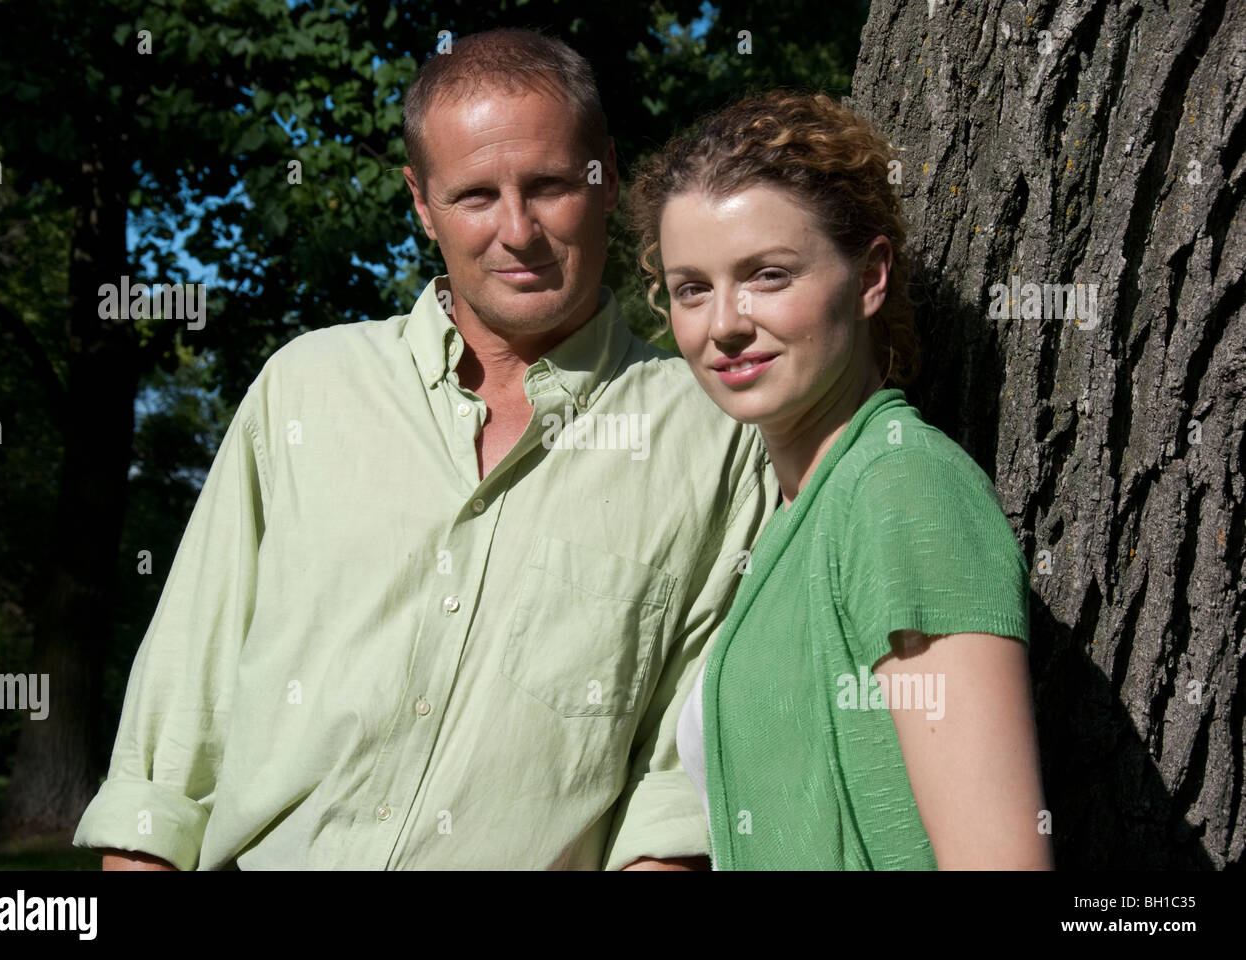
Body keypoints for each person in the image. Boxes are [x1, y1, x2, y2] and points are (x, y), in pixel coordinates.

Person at [73, 29, 778, 871]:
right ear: (420, 201)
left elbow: (676, 793)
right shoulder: (305, 389)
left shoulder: (717, 435)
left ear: (607, 177)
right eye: (476, 195)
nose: (517, 231)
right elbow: (175, 725)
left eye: (549, 186)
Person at [629, 89, 1053, 869]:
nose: (724, 322)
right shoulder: (798, 509)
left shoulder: (898, 488)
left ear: (869, 277)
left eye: (768, 275)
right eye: (694, 287)